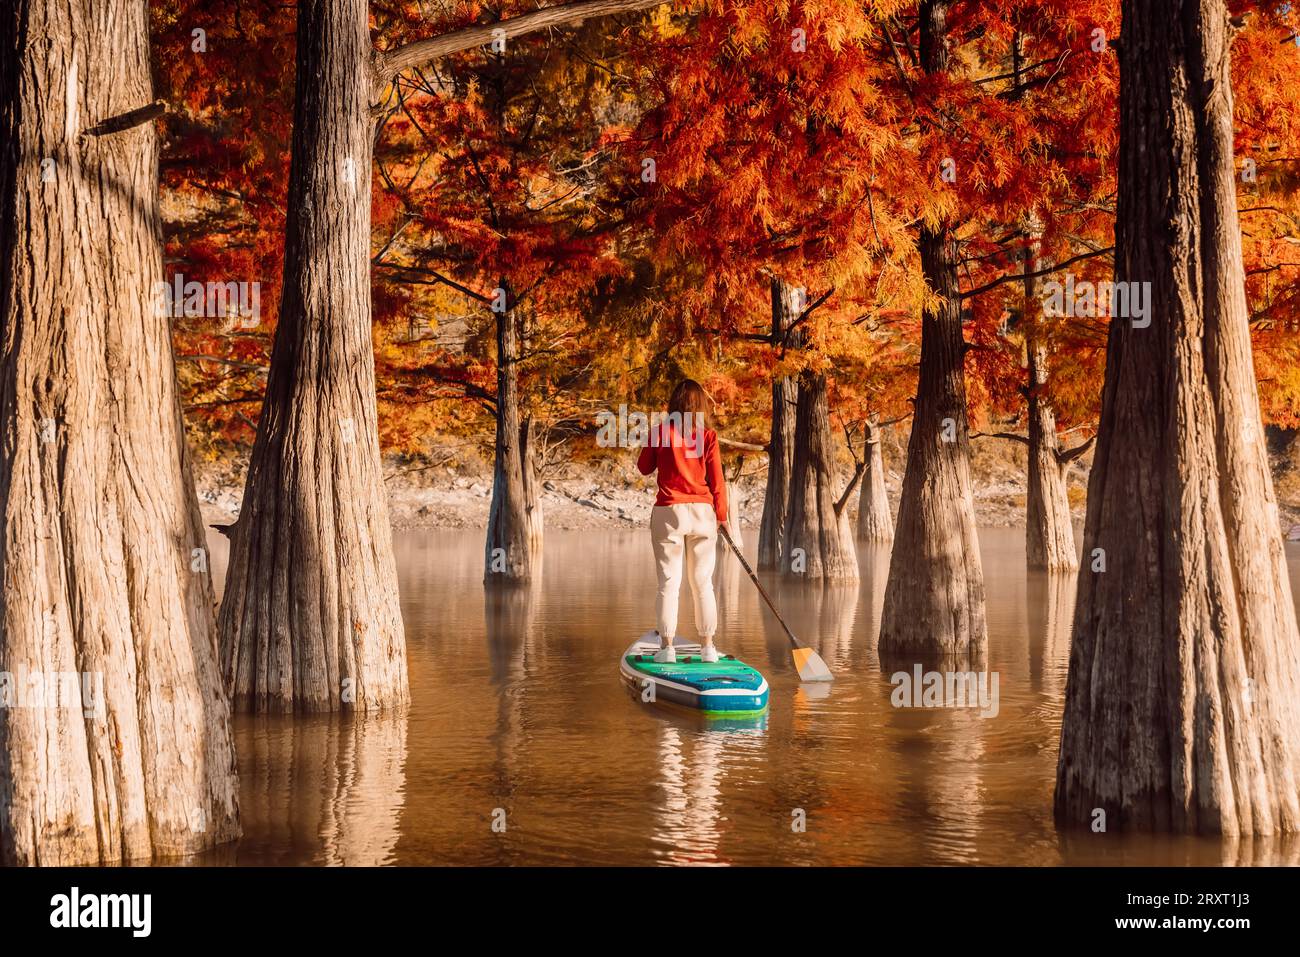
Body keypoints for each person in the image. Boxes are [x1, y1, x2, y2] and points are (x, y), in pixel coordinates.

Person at [636, 379, 728, 663]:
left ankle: (666, 648)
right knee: (703, 583)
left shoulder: (661, 432)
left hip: (669, 513)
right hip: (702, 513)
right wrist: (721, 517)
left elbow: (643, 467)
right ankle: (708, 648)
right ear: (701, 406)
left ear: (673, 404)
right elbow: (717, 482)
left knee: (668, 583)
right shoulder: (708, 437)